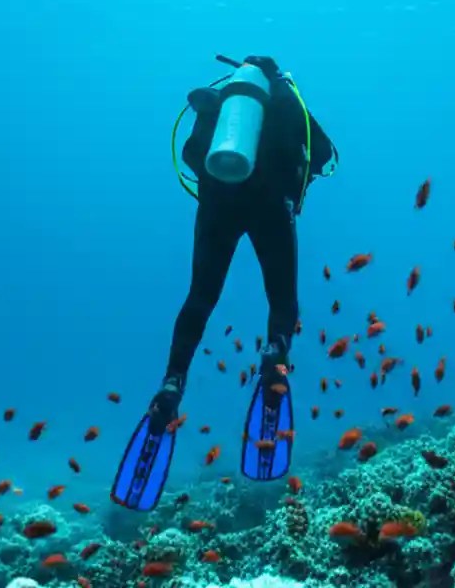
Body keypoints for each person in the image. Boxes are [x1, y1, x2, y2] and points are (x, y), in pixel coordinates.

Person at [110, 55, 338, 511]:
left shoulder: (219, 104)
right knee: (282, 298)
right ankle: (275, 356)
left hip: (218, 204)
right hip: (271, 204)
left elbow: (192, 155)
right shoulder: (285, 99)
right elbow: (325, 153)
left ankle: (173, 381)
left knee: (200, 298)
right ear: (276, 76)